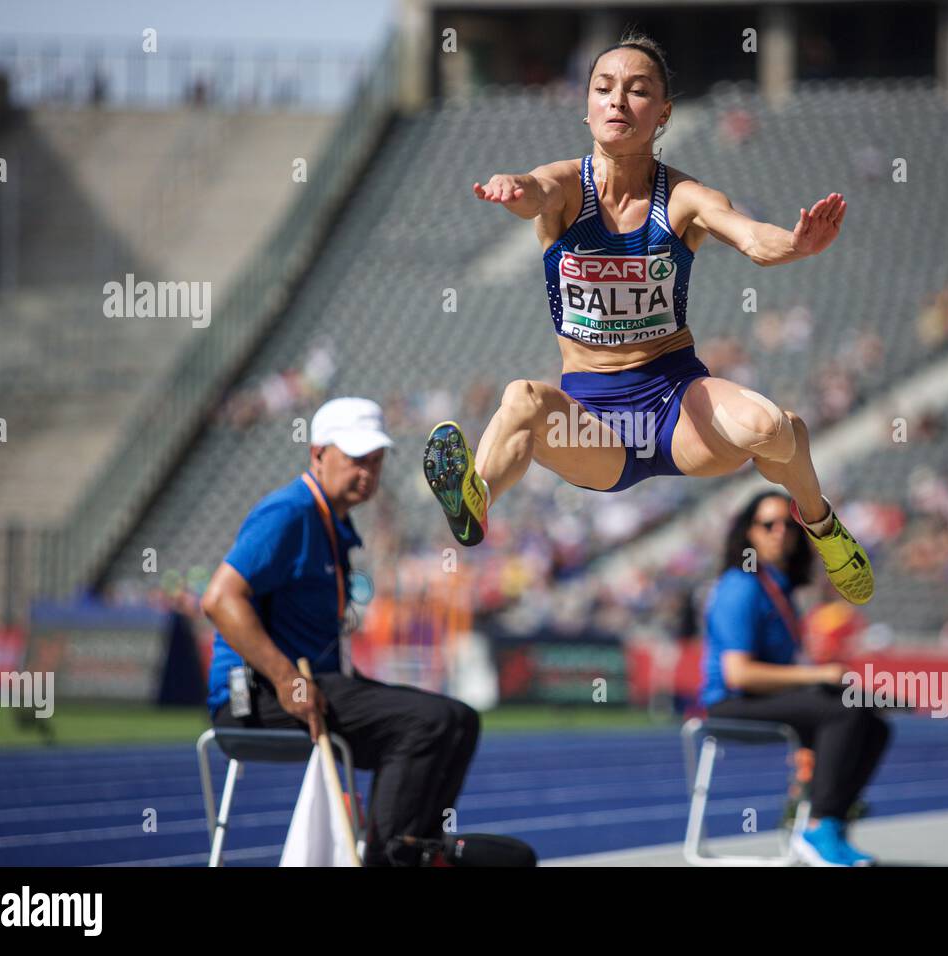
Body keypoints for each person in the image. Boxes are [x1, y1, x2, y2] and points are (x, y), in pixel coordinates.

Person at [421, 31, 873, 607]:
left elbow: (753, 239)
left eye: (637, 91)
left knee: (776, 430)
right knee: (521, 399)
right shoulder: (564, 186)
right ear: (586, 108)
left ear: (663, 114)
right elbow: (533, 191)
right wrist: (514, 189)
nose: (617, 101)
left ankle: (823, 528)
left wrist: (797, 244)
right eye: (603, 89)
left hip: (677, 405)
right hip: (594, 424)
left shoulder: (685, 197)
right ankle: (475, 497)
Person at [201, 397, 480, 867]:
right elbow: (220, 598)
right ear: (317, 454)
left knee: (459, 720)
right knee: (425, 722)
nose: (367, 473)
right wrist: (287, 678)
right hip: (254, 695)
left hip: (317, 685)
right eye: (355, 460)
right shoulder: (289, 513)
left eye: (375, 461)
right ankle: (389, 860)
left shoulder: (335, 523)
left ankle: (418, 851)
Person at [700, 491, 892, 866]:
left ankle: (831, 826)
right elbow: (739, 674)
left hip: (763, 698)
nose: (780, 533)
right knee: (845, 713)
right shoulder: (740, 586)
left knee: (873, 721)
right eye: (768, 524)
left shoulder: (779, 589)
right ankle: (818, 829)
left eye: (789, 525)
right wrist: (819, 674)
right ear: (749, 533)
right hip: (731, 703)